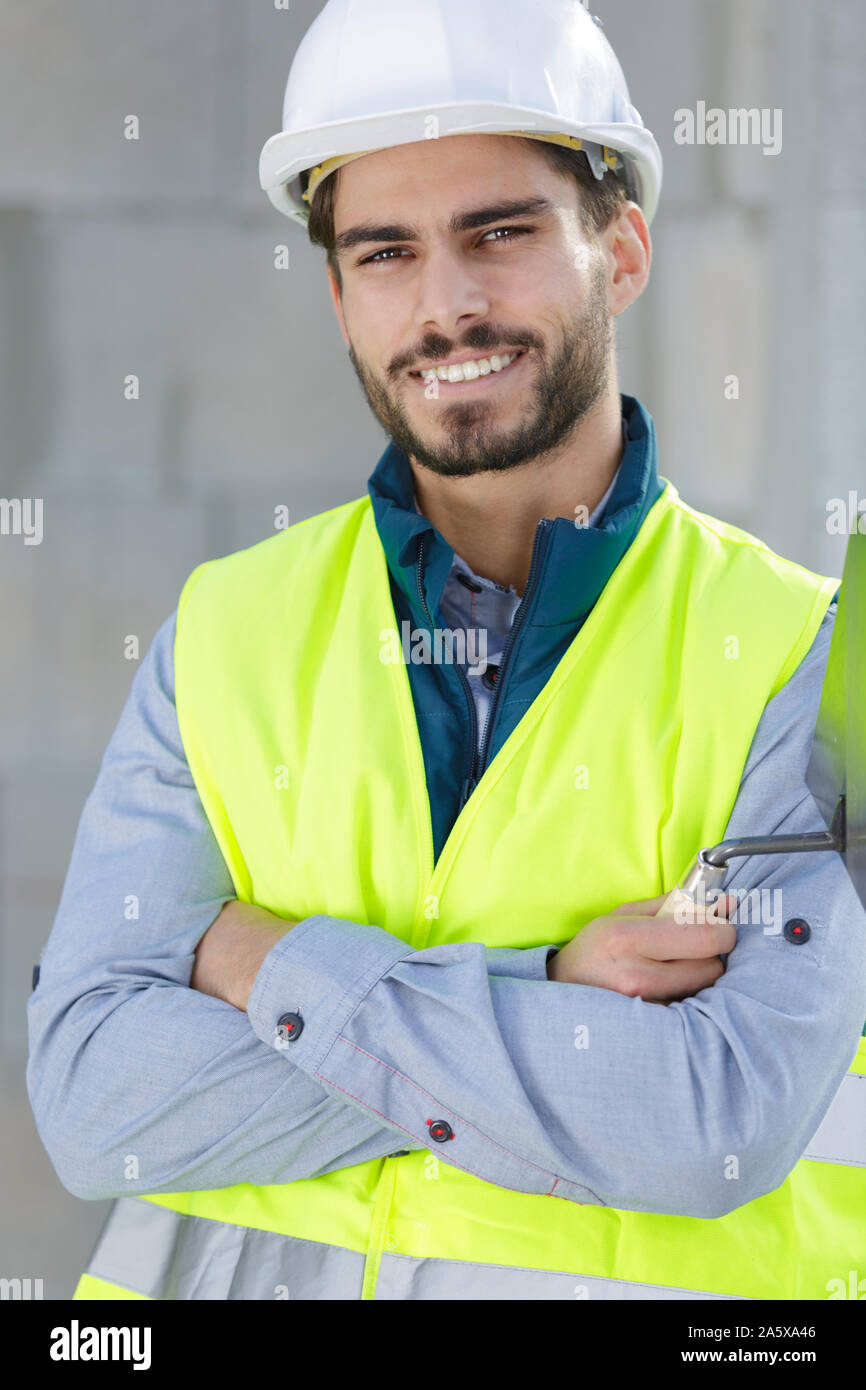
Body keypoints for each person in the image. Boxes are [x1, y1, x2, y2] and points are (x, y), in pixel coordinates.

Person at [28, 0, 866, 1301]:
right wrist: (542, 982)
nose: (446, 305)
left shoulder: (809, 659)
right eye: (385, 253)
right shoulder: (226, 630)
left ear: (622, 248)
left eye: (500, 233)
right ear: (337, 293)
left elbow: (716, 1116)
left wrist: (271, 964)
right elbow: (96, 1102)